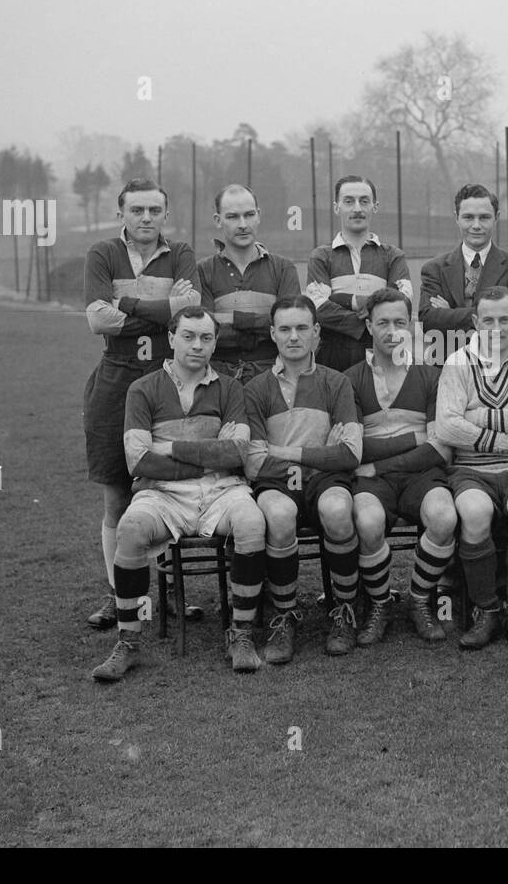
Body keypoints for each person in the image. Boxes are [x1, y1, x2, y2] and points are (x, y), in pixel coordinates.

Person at [91, 307, 266, 681]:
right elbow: (138, 461)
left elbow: (237, 452)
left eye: (206, 337)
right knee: (131, 529)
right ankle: (129, 642)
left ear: (216, 342)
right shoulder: (143, 389)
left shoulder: (231, 388)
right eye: (188, 336)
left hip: (221, 490)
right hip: (163, 493)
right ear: (171, 338)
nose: (197, 345)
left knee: (252, 522)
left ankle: (241, 635)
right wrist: (204, 459)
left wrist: (171, 449)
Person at [83, 178, 199, 631]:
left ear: (165, 215)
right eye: (137, 211)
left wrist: (126, 303)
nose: (146, 218)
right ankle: (121, 596)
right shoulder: (102, 254)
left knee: (167, 492)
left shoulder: (182, 253)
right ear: (122, 215)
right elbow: (97, 319)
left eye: (154, 210)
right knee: (117, 497)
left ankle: (170, 595)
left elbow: (190, 311)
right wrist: (162, 308)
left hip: (168, 384)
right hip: (114, 382)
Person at [244, 296, 363, 661]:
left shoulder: (337, 383)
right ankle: (284, 616)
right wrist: (318, 457)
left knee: (338, 509)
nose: (293, 337)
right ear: (273, 334)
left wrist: (285, 453)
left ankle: (345, 611)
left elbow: (351, 454)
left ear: (316, 333)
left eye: (301, 328)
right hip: (280, 485)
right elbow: (253, 465)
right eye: (285, 329)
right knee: (278, 517)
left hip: (325, 482)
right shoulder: (255, 388)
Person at [435, 286, 508, 650]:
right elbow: (447, 427)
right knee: (474, 513)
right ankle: (486, 610)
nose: (497, 327)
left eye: (505, 319)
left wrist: (478, 415)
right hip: (472, 468)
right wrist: (503, 439)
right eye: (488, 319)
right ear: (474, 322)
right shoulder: (457, 361)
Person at [345, 289, 457, 645]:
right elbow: (353, 448)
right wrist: (414, 440)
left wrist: (379, 463)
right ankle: (380, 603)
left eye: (399, 322)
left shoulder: (432, 374)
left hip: (419, 476)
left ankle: (421, 600)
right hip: (371, 482)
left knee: (443, 517)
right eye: (382, 323)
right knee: (367, 521)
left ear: (411, 325)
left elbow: (440, 450)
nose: (392, 330)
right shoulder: (348, 380)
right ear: (368, 326)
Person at [306, 175, 413, 372]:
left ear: (375, 206)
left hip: (383, 353)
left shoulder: (393, 256)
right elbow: (318, 308)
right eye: (349, 201)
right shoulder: (321, 256)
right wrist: (368, 315)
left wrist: (340, 298)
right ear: (336, 207)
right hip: (332, 355)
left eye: (364, 201)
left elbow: (402, 302)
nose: (357, 208)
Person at [197, 183, 301, 384]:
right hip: (217, 378)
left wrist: (231, 320)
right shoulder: (202, 270)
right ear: (218, 220)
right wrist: (264, 325)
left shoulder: (283, 268)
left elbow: (289, 325)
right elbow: (204, 331)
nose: (243, 224)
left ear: (259, 215)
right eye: (233, 217)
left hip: (274, 377)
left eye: (249, 215)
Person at [419, 183, 508, 366]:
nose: (476, 226)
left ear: (496, 218)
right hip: (445, 366)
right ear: (457, 218)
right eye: (468, 217)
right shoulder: (434, 269)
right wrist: (491, 316)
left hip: (497, 367)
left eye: (484, 217)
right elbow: (429, 322)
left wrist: (450, 314)